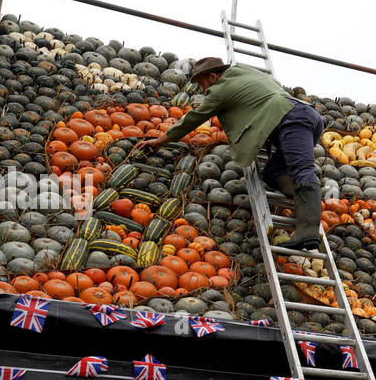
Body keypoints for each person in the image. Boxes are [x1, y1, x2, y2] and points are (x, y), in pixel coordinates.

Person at [138, 57, 324, 251]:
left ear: (212, 77)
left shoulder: (221, 90)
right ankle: (306, 206)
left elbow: (193, 118)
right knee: (274, 172)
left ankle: (308, 229)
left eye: (202, 85)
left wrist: (160, 140)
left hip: (292, 119)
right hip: (302, 115)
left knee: (301, 169)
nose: (203, 91)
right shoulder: (248, 72)